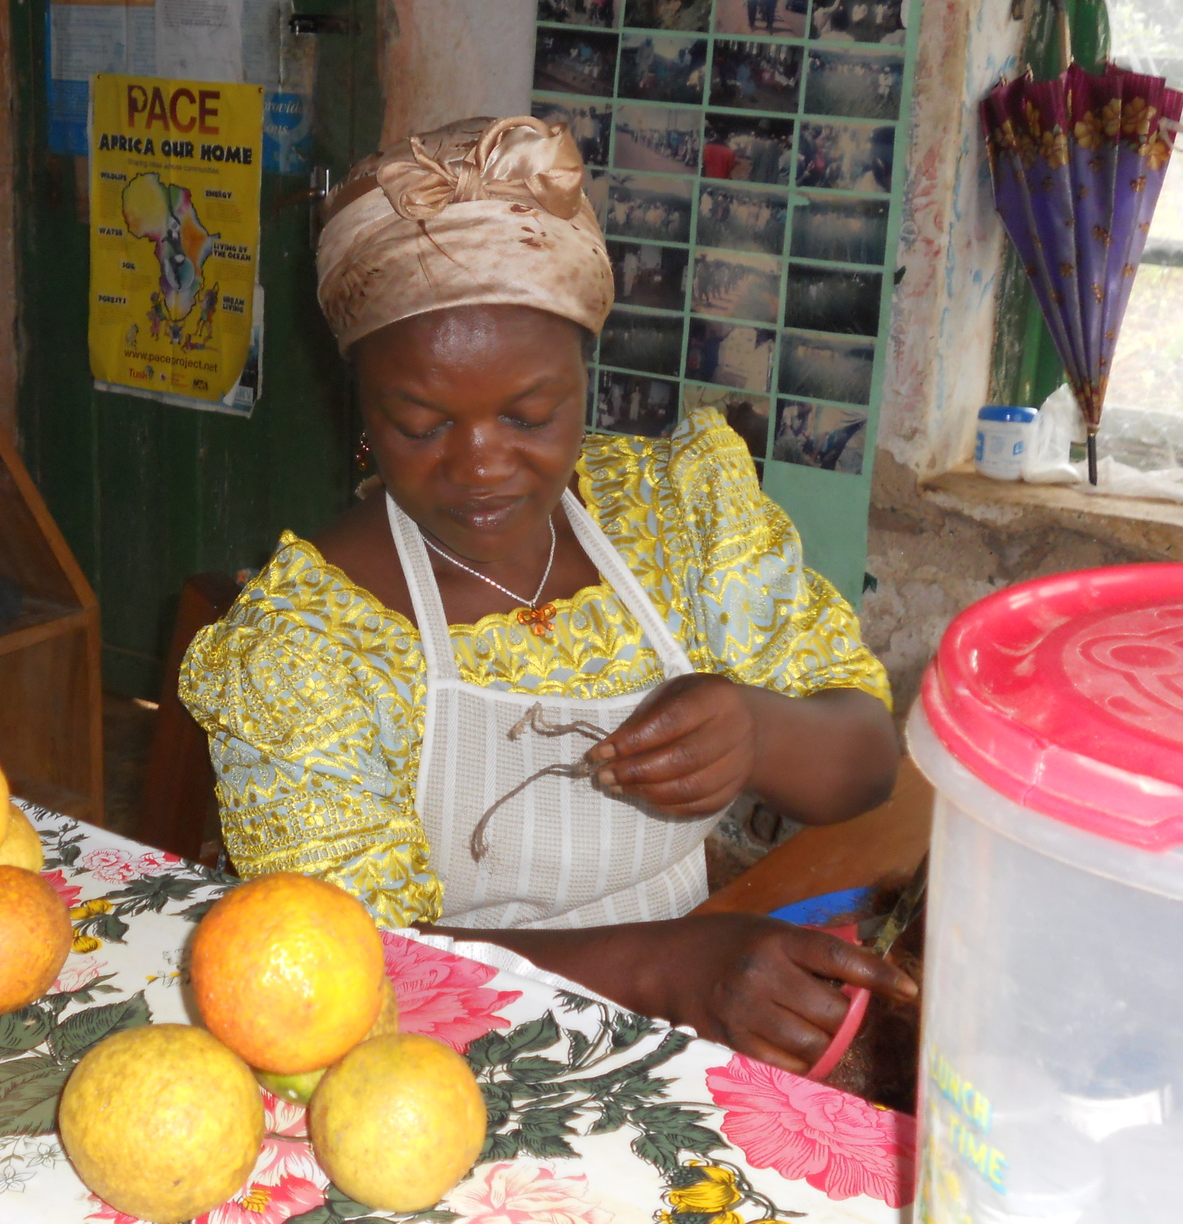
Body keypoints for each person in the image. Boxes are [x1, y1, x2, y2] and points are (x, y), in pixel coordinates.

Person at [179, 116, 911, 1075]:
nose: (480, 464)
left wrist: (760, 732)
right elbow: (341, 970)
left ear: (584, 375)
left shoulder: (675, 520)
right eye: (421, 422)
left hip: (698, 1008)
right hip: (433, 1065)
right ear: (360, 409)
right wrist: (659, 970)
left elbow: (867, 766)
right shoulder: (309, 641)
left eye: (530, 414)